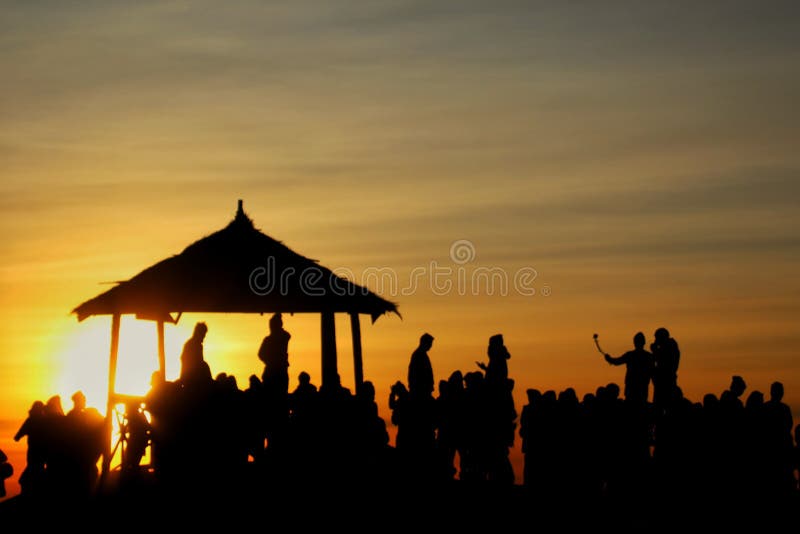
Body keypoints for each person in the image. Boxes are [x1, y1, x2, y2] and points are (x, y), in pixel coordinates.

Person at [603, 332, 654, 409]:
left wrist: (609, 359)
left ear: (634, 342)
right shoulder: (649, 356)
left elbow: (617, 361)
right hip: (641, 387)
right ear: (644, 342)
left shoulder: (630, 355)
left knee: (631, 408)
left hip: (632, 387)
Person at [258, 313, 291, 397]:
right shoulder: (270, 339)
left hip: (276, 372)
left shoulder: (278, 338)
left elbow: (261, 354)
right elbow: (261, 354)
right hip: (276, 371)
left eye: (272, 325)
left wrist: (270, 362)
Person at [651, 327, 680, 414]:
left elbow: (660, 358)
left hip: (666, 381)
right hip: (663, 380)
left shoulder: (669, 347)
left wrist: (654, 350)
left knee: (664, 407)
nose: (655, 340)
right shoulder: (669, 346)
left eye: (657, 337)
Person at [179, 322, 212, 387]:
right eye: (203, 334)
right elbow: (197, 363)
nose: (204, 337)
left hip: (190, 377)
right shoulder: (194, 345)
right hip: (191, 378)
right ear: (199, 333)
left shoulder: (192, 344)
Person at [408, 333, 434, 398]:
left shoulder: (422, 355)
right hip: (420, 391)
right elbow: (413, 374)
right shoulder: (418, 355)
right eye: (430, 343)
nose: (431, 346)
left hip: (423, 390)